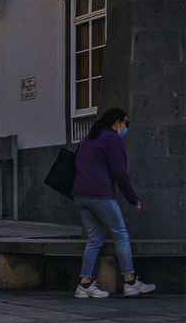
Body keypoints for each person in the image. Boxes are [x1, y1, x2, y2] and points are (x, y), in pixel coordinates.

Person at [72, 107, 156, 299]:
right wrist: (133, 200)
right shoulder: (113, 138)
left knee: (94, 240)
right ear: (117, 122)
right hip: (99, 195)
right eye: (125, 123)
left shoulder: (87, 138)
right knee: (120, 235)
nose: (125, 127)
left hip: (80, 195)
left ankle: (84, 285)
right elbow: (120, 173)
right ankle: (131, 282)